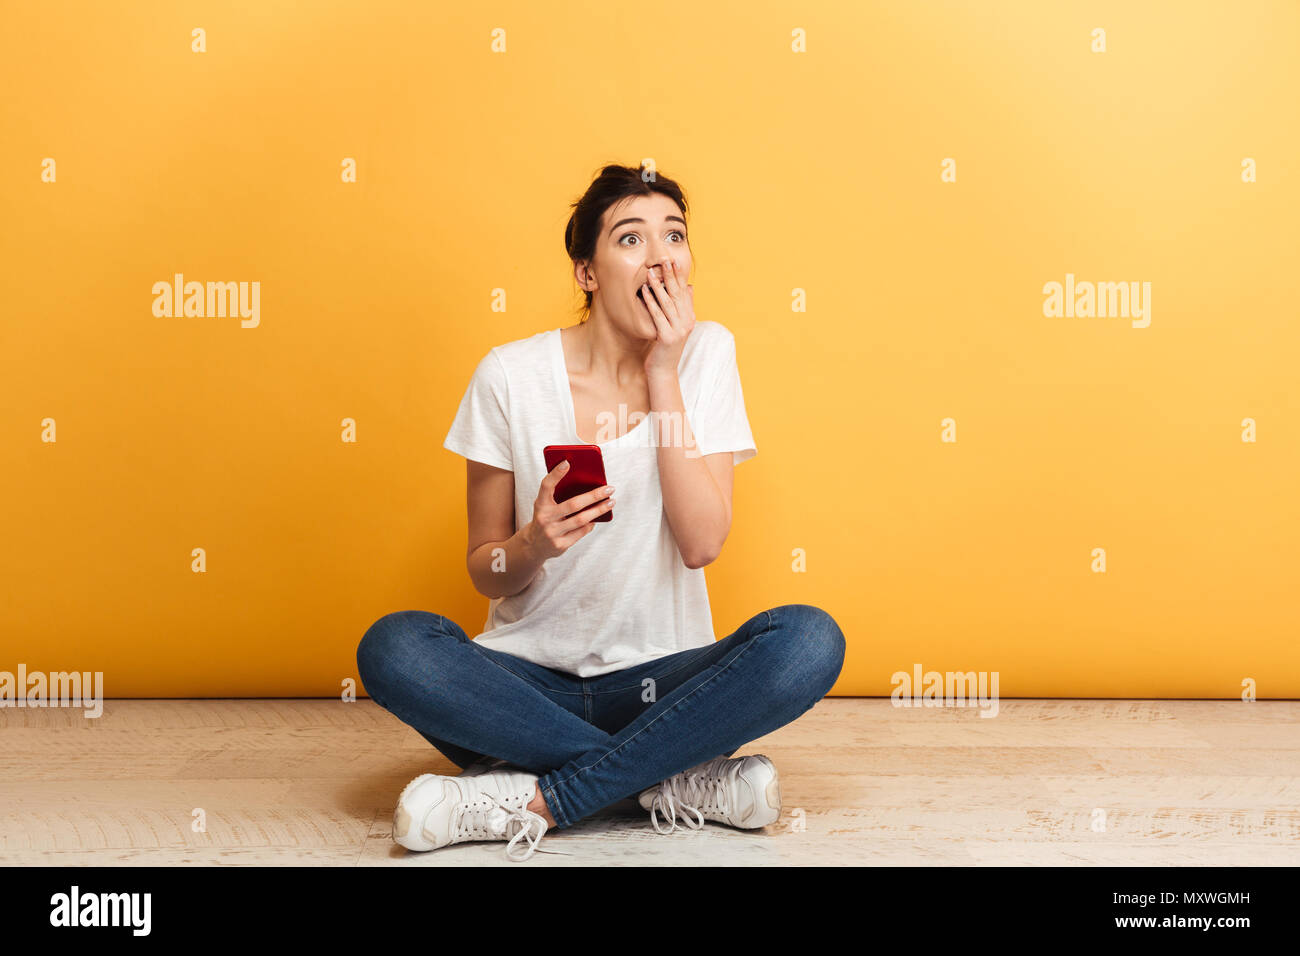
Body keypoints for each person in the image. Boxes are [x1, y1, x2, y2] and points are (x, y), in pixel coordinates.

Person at [356, 163, 845, 861]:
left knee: (808, 640)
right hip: (524, 692)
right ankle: (667, 782)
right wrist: (533, 543)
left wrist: (664, 374)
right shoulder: (509, 376)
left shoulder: (705, 355)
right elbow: (485, 571)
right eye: (630, 239)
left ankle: (535, 799)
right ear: (587, 271)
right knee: (395, 647)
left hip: (665, 687)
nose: (659, 257)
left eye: (673, 237)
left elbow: (702, 543)